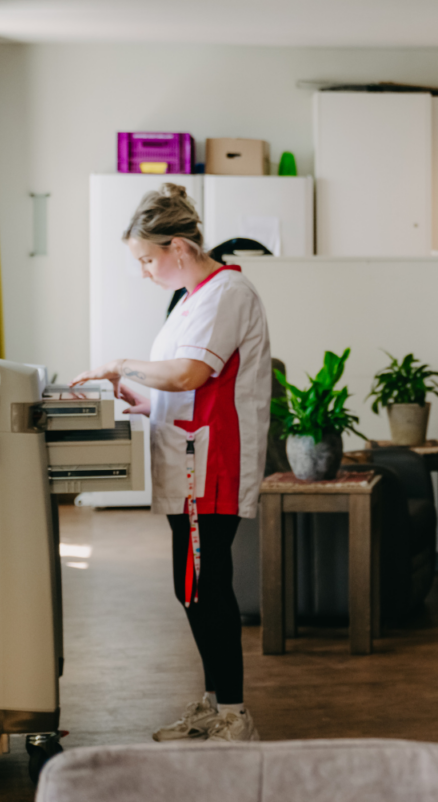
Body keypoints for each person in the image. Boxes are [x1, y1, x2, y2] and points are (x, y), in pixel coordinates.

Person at [71, 183, 272, 743]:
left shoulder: (227, 292)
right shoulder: (193, 298)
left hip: (212, 463)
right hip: (188, 458)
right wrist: (143, 399)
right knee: (192, 586)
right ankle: (215, 703)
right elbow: (182, 387)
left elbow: (188, 375)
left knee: (207, 586)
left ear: (177, 247)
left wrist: (120, 365)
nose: (143, 272)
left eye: (146, 260)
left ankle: (234, 713)